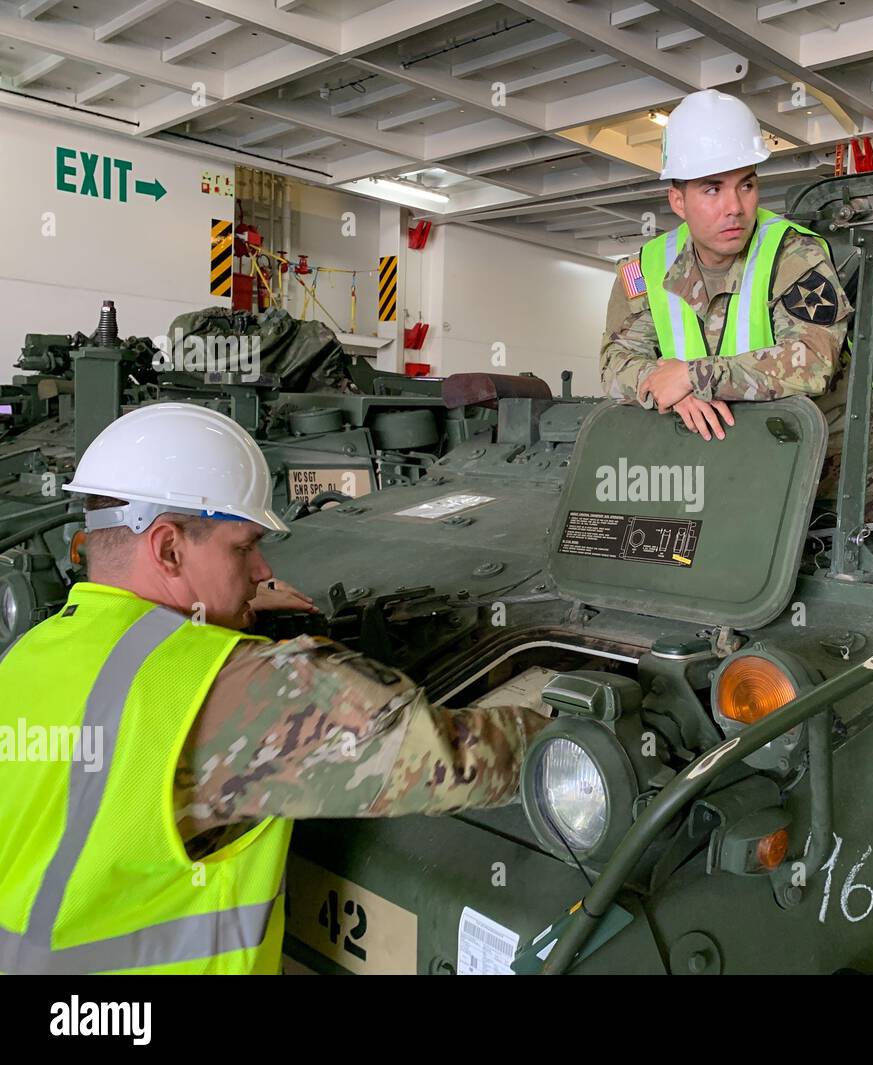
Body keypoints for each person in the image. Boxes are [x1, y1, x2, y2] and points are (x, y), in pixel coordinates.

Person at [0, 403, 548, 974]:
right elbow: (456, 761)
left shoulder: (28, 655)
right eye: (243, 547)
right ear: (166, 548)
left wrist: (215, 606)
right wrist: (569, 739)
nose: (263, 570)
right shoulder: (231, 689)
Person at [600, 88, 873, 522]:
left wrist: (691, 377)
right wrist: (663, 386)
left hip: (832, 471)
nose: (735, 208)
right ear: (677, 200)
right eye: (712, 189)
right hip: (731, 463)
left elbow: (812, 362)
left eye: (746, 184)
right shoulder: (646, 268)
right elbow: (613, 364)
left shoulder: (792, 253)